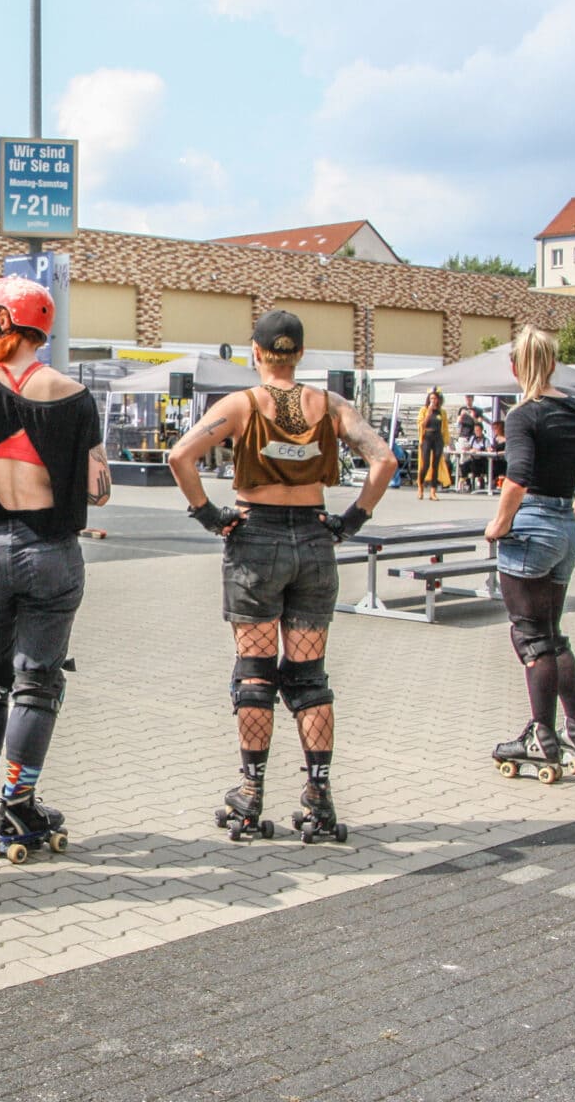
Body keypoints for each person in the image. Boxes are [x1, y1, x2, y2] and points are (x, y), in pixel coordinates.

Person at [169, 309, 397, 842]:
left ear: (256, 351)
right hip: (315, 543)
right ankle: (319, 795)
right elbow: (383, 460)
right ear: (298, 354)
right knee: (309, 677)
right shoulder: (331, 405)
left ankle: (250, 795)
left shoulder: (242, 405)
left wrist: (209, 514)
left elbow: (181, 455)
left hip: (256, 540)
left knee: (254, 671)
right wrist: (353, 519)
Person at [0, 277, 111, 860]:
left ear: (9, 323)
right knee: (38, 679)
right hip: (49, 553)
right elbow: (99, 489)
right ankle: (16, 804)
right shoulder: (76, 396)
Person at [486, 326, 575, 777]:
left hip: (531, 530)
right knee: (553, 635)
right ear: (554, 362)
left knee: (531, 639)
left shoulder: (525, 413)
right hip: (563, 529)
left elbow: (517, 477)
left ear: (516, 366)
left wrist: (499, 524)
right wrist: (573, 512)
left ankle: (542, 737)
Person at [415, 389, 450, 501]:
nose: (433, 400)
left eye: (435, 398)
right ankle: (420, 487)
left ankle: (433, 492)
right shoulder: (424, 410)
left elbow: (444, 427)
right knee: (425, 464)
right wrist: (429, 413)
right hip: (427, 437)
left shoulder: (442, 412)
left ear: (438, 399)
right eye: (431, 398)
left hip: (438, 438)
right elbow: (422, 425)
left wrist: (445, 440)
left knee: (436, 464)